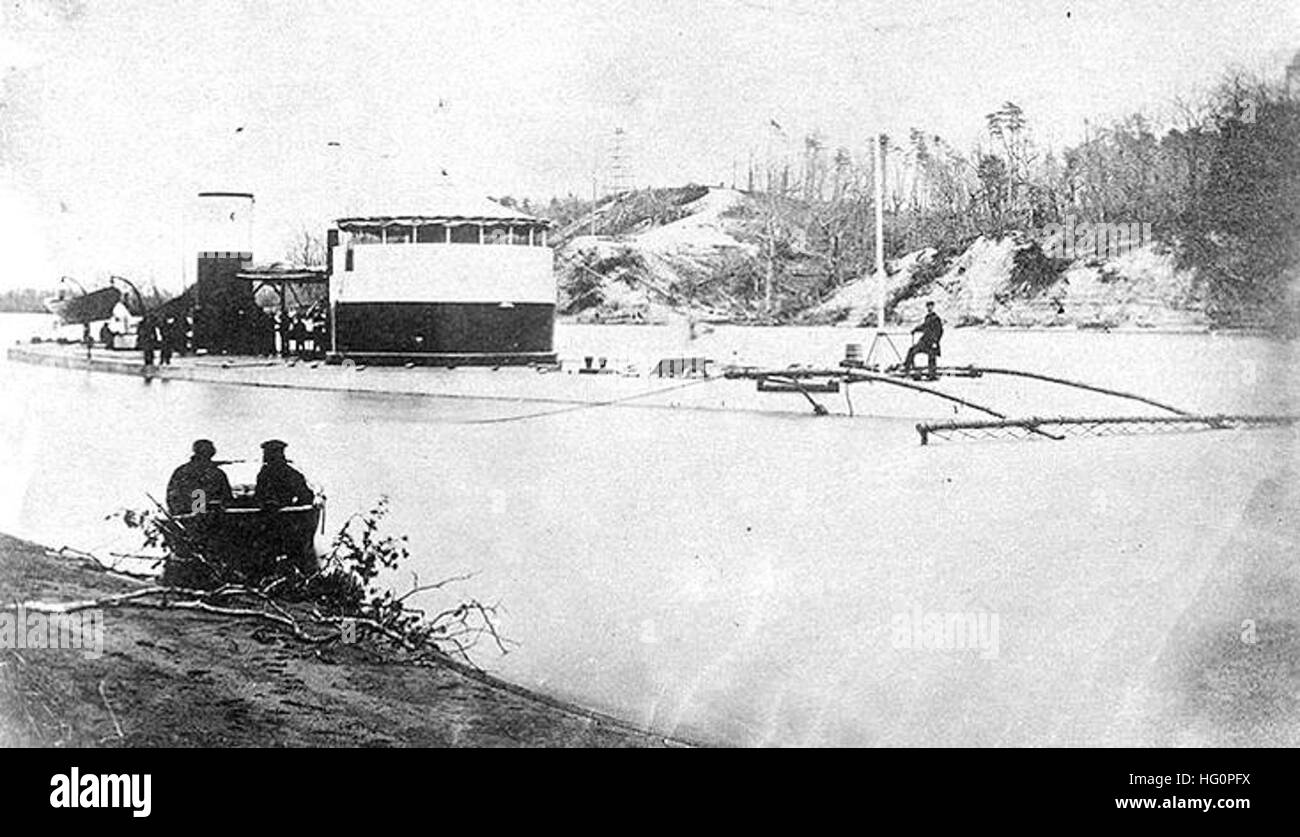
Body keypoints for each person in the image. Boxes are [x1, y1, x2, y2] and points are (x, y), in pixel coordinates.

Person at [166, 439, 233, 515]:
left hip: (185, 517)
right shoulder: (217, 473)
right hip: (211, 518)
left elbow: (172, 497)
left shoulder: (181, 471)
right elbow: (227, 498)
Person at [253, 440, 315, 509]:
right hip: (265, 514)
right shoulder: (264, 473)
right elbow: (258, 495)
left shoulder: (289, 474)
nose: (264, 456)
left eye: (268, 453)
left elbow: (305, 496)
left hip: (283, 515)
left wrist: (292, 509)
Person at [902, 301, 944, 380]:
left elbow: (940, 331)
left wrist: (935, 341)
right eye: (928, 306)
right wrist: (915, 329)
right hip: (924, 341)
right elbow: (924, 326)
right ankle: (907, 370)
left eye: (930, 306)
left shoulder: (936, 318)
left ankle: (932, 375)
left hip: (931, 342)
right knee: (912, 350)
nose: (929, 308)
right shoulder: (927, 317)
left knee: (932, 357)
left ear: (933, 307)